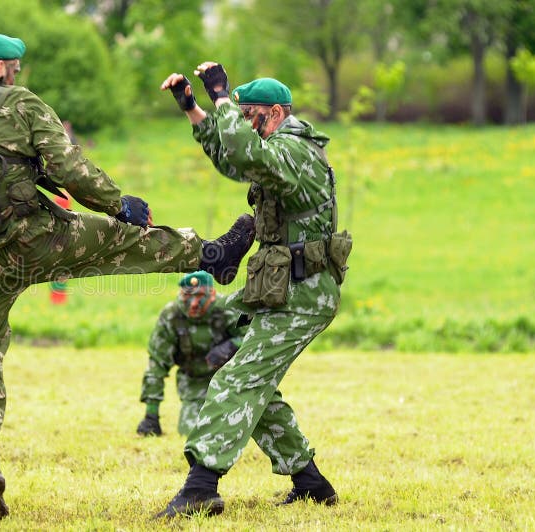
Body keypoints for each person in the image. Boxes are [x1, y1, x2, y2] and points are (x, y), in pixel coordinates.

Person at [0, 33, 256, 520]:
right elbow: (68, 167)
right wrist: (118, 204)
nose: (17, 74)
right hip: (34, 240)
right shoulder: (21, 104)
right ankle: (212, 256)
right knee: (120, 241)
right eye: (13, 67)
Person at [154, 63, 353, 518]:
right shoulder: (273, 150)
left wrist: (222, 96)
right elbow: (233, 157)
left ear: (276, 113)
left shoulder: (295, 151)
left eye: (250, 116)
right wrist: (194, 111)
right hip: (279, 289)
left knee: (238, 379)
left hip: (304, 296)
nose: (243, 124)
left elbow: (245, 153)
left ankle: (201, 487)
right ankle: (310, 482)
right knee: (248, 375)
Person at [137, 271, 246, 437]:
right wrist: (151, 415)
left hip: (229, 380)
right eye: (187, 296)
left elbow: (254, 338)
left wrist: (231, 346)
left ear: (212, 294)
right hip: (194, 383)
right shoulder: (171, 315)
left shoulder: (227, 309)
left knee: (231, 427)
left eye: (200, 296)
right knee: (192, 432)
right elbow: (157, 364)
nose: (193, 303)